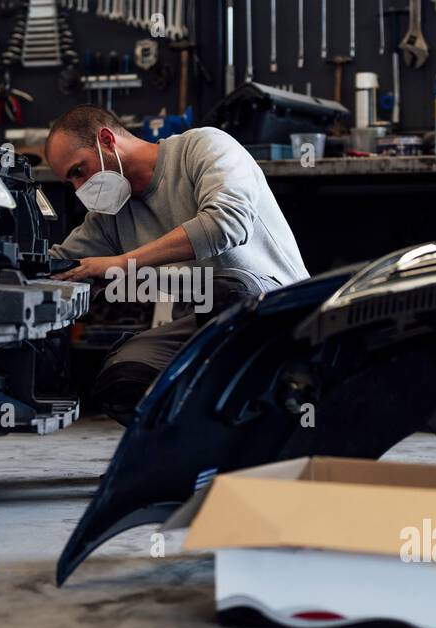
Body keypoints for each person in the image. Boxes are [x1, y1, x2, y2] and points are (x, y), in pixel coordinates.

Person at [46, 104, 309, 424]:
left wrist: (121, 264)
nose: (78, 188)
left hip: (280, 309)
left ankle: (270, 418)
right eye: (70, 181)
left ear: (106, 140)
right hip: (205, 325)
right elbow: (62, 265)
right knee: (124, 381)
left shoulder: (205, 147)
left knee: (228, 295)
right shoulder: (109, 218)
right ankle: (201, 448)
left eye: (79, 171)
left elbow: (225, 225)